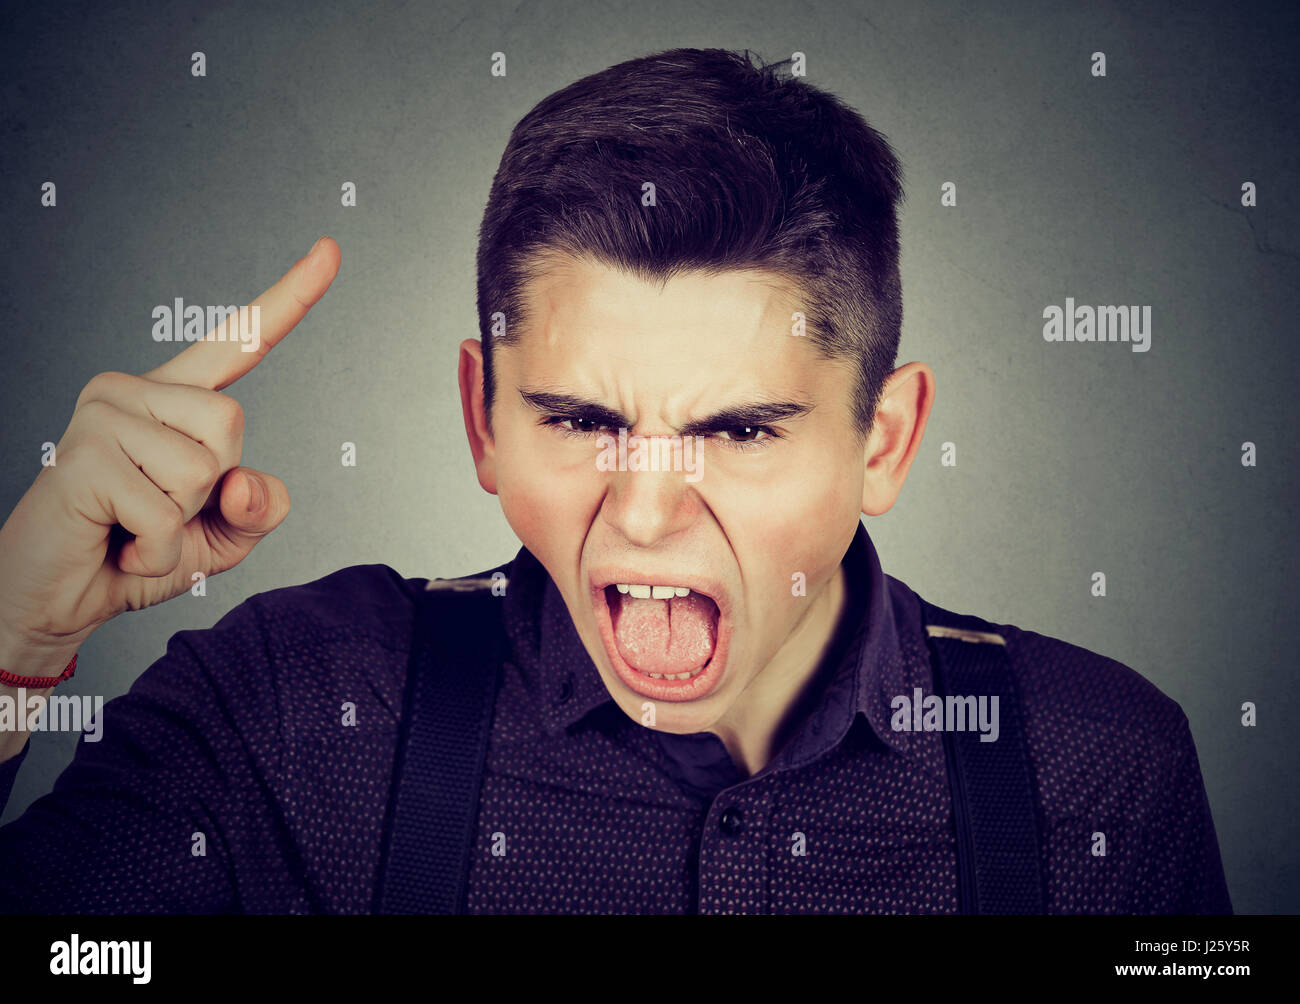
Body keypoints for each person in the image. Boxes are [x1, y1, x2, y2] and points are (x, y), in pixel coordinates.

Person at [0, 48, 1230, 913]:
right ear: (483, 418)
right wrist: (13, 639)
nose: (643, 513)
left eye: (740, 431)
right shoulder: (288, 710)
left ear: (885, 442)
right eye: (582, 418)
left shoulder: (1098, 768)